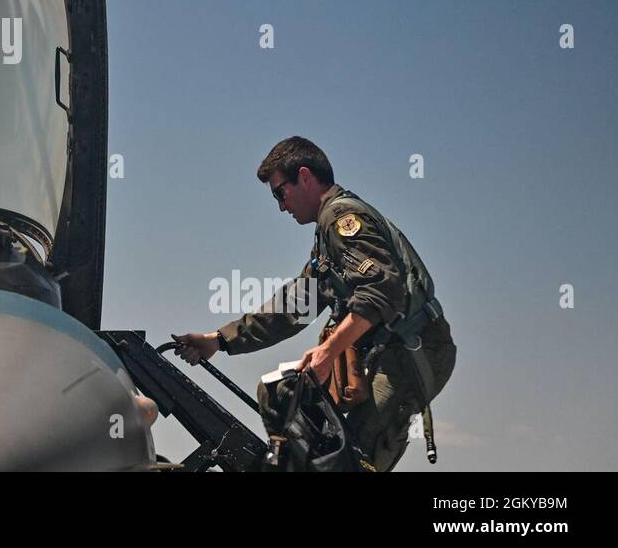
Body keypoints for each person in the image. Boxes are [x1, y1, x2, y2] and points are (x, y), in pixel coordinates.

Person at [172, 136, 456, 471]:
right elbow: (294, 306)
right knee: (279, 398)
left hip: (412, 353)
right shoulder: (326, 239)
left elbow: (381, 290)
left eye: (281, 192)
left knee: (350, 460)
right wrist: (218, 340)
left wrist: (329, 351)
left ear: (305, 176)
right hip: (386, 352)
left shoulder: (342, 219)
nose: (281, 205)